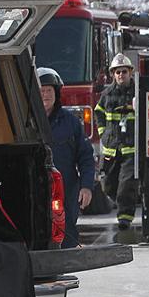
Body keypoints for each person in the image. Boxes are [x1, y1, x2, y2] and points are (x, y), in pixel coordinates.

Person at [37, 67, 94, 247]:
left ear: (56, 93)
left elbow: (85, 157)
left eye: (49, 90)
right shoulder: (25, 122)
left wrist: (86, 187)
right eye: (41, 90)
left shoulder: (70, 122)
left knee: (66, 233)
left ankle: (64, 269)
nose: (45, 95)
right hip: (35, 190)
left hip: (66, 192)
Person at [94, 53, 139, 230]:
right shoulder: (106, 95)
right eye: (118, 72)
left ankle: (124, 218)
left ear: (130, 72)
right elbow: (98, 112)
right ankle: (122, 204)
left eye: (124, 72)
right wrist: (103, 133)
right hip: (112, 149)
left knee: (126, 183)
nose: (121, 75)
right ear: (113, 74)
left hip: (130, 148)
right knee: (108, 186)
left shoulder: (137, 92)